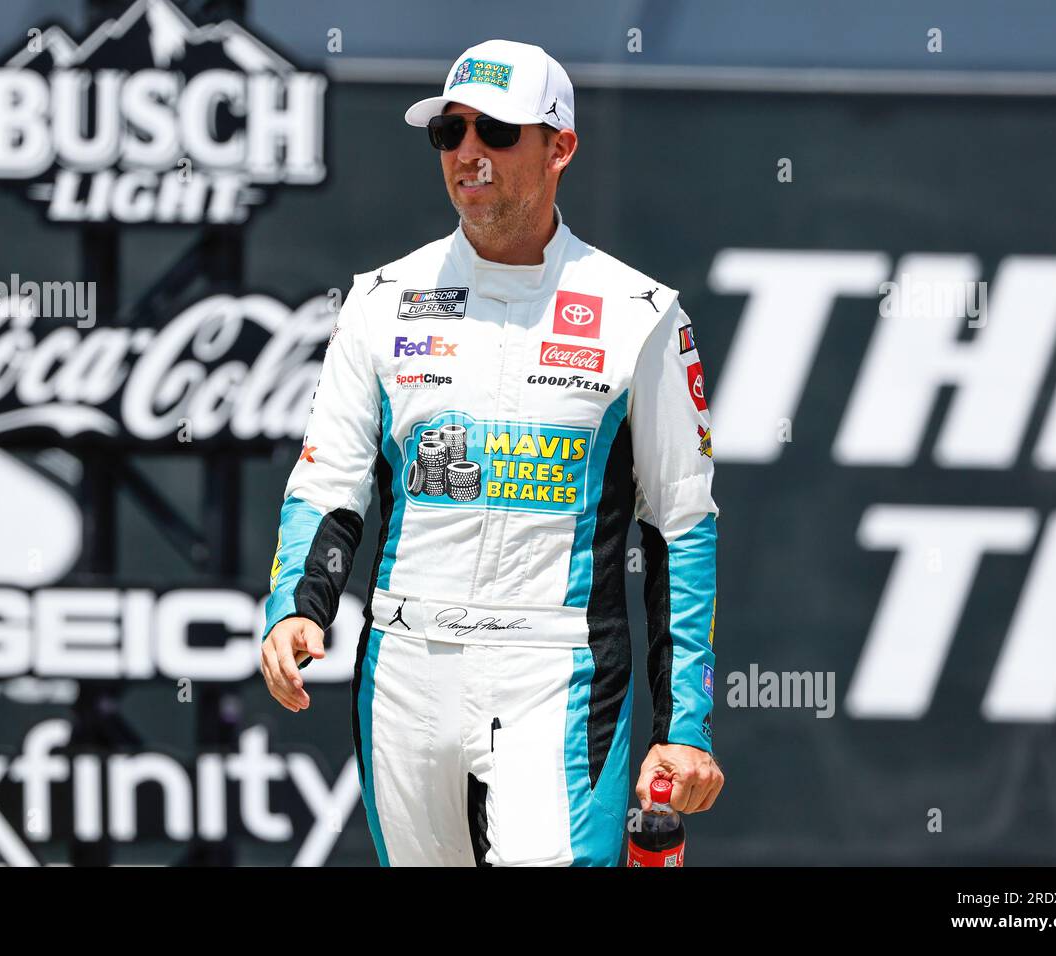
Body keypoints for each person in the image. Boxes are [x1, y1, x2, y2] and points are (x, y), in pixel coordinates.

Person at [261, 38, 722, 866]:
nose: (468, 153)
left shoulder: (641, 313)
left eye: (497, 132)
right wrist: (299, 607)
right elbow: (327, 478)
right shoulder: (380, 301)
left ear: (560, 148)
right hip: (403, 667)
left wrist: (684, 725)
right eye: (450, 132)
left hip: (557, 672)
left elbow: (680, 527)